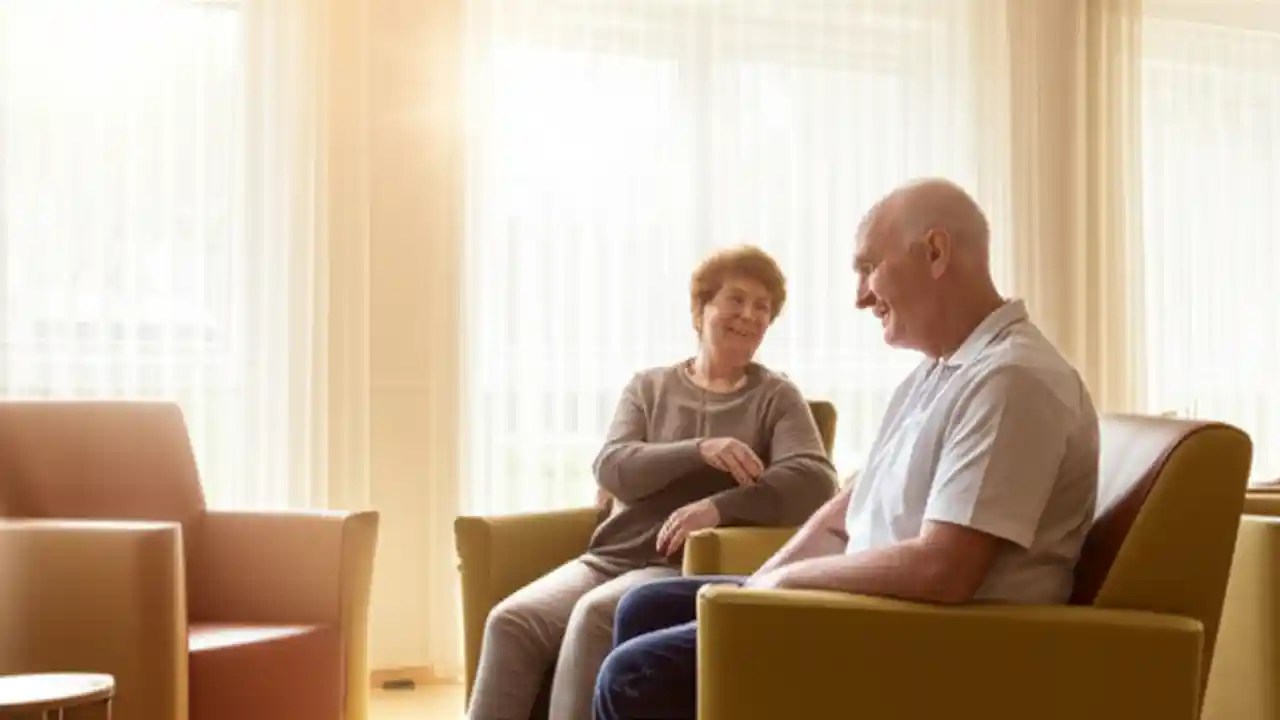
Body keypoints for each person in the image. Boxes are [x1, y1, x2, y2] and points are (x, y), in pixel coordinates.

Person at [593, 178, 1101, 720]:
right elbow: (842, 511)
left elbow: (944, 570)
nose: (860, 296)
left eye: (868, 267)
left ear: (934, 252)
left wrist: (785, 585)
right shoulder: (938, 373)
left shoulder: (1011, 380)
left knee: (635, 675)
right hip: (869, 606)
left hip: (927, 637)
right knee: (644, 606)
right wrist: (765, 582)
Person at [465, 245, 837, 720]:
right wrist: (700, 449)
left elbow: (813, 479)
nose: (749, 315)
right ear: (701, 310)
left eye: (763, 307)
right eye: (736, 300)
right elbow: (614, 465)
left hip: (679, 564)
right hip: (610, 556)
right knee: (511, 621)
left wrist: (718, 507)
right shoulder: (649, 387)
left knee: (594, 617)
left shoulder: (776, 397)